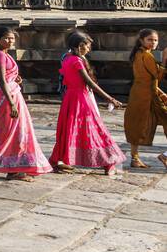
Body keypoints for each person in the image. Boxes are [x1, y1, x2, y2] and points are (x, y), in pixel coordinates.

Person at [0, 27, 52, 181]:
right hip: (8, 97)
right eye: (6, 38)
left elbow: (5, 77)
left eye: (12, 38)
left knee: (7, 132)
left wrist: (14, 79)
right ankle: (12, 169)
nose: (10, 41)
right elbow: (1, 80)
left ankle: (5, 165)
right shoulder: (0, 55)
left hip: (7, 93)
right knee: (14, 132)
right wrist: (11, 104)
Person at [50, 30, 125, 175]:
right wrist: (109, 98)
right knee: (95, 130)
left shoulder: (66, 58)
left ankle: (57, 160)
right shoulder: (78, 61)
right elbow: (90, 83)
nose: (89, 49)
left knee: (68, 130)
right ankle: (108, 161)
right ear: (80, 45)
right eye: (87, 46)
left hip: (70, 98)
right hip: (81, 98)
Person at [123, 28, 167, 170]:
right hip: (146, 96)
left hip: (143, 94)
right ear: (142, 40)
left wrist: (160, 93)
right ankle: (163, 156)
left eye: (155, 40)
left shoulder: (140, 53)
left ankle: (135, 158)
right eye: (150, 40)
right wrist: (165, 60)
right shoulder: (146, 56)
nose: (153, 42)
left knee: (136, 124)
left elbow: (147, 79)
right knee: (138, 125)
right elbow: (157, 76)